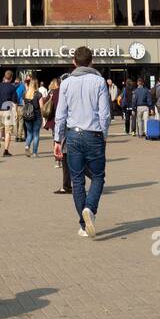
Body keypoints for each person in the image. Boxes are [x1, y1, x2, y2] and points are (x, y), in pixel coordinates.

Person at [53, 47, 110, 238]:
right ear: (91, 61)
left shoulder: (66, 83)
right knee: (98, 177)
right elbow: (105, 114)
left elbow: (60, 115)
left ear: (74, 62)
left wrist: (57, 139)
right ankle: (90, 209)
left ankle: (84, 225)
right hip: (93, 134)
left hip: (73, 135)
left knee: (77, 181)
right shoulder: (100, 81)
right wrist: (104, 134)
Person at [44, 79, 71, 195]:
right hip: (76, 126)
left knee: (67, 157)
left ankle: (67, 186)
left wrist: (57, 140)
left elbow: (59, 114)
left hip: (61, 126)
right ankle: (67, 185)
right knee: (71, 156)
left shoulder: (56, 92)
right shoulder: (71, 91)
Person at [0, 70, 20, 157]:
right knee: (8, 132)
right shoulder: (12, 88)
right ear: (11, 78)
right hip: (8, 111)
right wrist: (16, 112)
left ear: (4, 77)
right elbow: (14, 102)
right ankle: (6, 150)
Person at [22, 77, 43, 157]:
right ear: (36, 84)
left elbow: (24, 105)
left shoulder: (25, 93)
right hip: (37, 116)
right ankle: (34, 152)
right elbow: (41, 107)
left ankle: (27, 146)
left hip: (27, 116)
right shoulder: (38, 94)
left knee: (29, 133)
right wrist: (43, 117)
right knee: (36, 134)